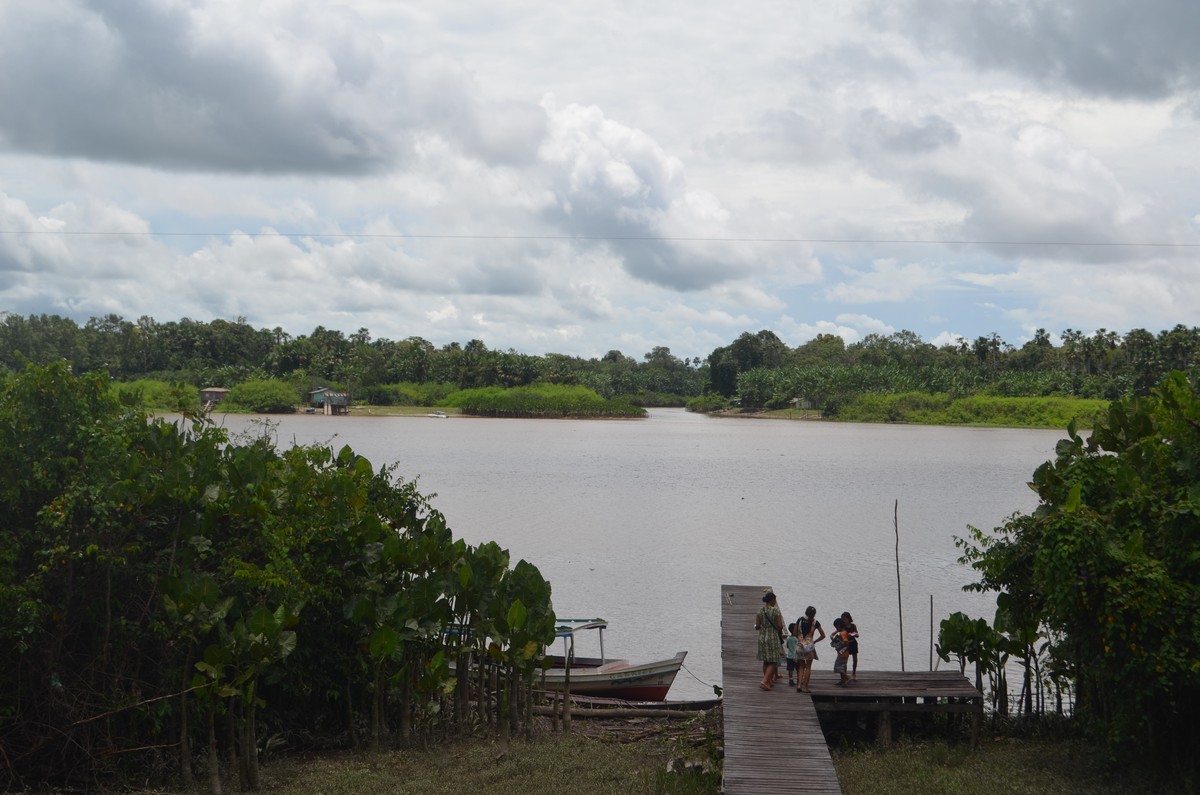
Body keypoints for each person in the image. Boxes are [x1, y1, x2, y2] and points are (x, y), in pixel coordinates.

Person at [755, 592, 784, 690]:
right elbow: (780, 626)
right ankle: (764, 681)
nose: (775, 602)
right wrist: (778, 630)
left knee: (766, 661)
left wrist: (763, 626)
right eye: (775, 600)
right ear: (771, 600)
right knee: (773, 661)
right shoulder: (776, 611)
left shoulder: (760, 611)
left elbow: (757, 626)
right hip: (772, 636)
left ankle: (769, 682)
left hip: (762, 637)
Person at [794, 605, 825, 693]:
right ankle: (805, 687)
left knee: (801, 666)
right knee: (808, 667)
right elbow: (823, 635)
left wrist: (800, 639)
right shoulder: (815, 622)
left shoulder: (799, 619)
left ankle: (799, 685)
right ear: (814, 614)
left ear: (806, 612)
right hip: (809, 646)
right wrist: (815, 641)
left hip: (800, 645)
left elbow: (794, 632)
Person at [830, 617, 851, 686]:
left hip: (843, 653)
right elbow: (832, 635)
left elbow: (846, 642)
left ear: (839, 626)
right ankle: (842, 680)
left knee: (838, 667)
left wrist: (839, 645)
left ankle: (847, 678)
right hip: (843, 653)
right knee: (842, 667)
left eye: (836, 627)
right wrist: (836, 631)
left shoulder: (842, 633)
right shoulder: (844, 631)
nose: (836, 629)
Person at [841, 611, 860, 681]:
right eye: (843, 619)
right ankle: (845, 674)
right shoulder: (843, 627)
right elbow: (841, 634)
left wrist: (855, 634)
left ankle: (854, 673)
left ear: (849, 619)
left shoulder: (853, 625)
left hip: (853, 643)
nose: (844, 621)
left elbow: (857, 634)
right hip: (846, 644)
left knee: (855, 659)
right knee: (845, 660)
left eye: (845, 619)